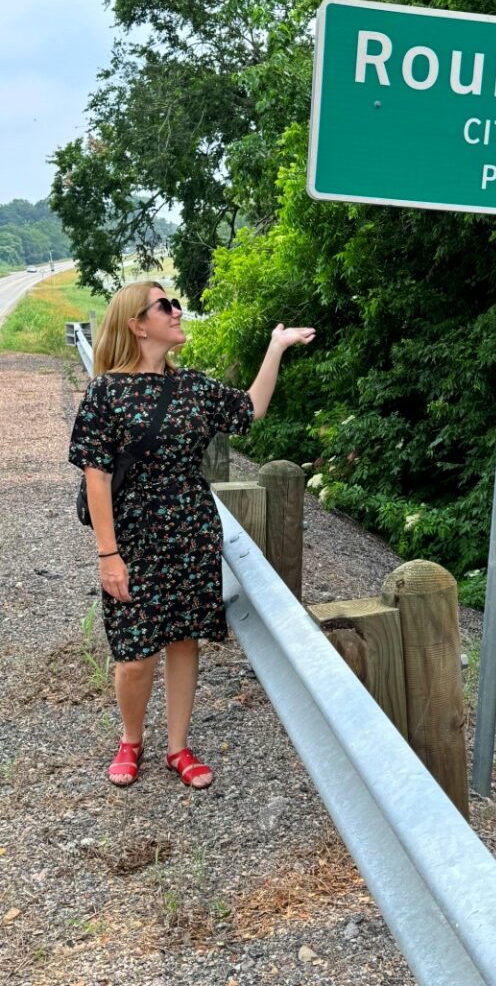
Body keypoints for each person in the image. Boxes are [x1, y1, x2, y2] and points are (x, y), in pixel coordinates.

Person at [69, 281, 315, 789]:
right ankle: (131, 740)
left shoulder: (193, 387)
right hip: (133, 542)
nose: (177, 311)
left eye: (176, 303)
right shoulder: (106, 391)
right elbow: (96, 476)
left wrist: (276, 347)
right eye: (165, 305)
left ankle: (178, 747)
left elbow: (250, 409)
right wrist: (108, 554)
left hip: (191, 534)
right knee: (135, 655)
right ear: (138, 325)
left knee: (184, 642)